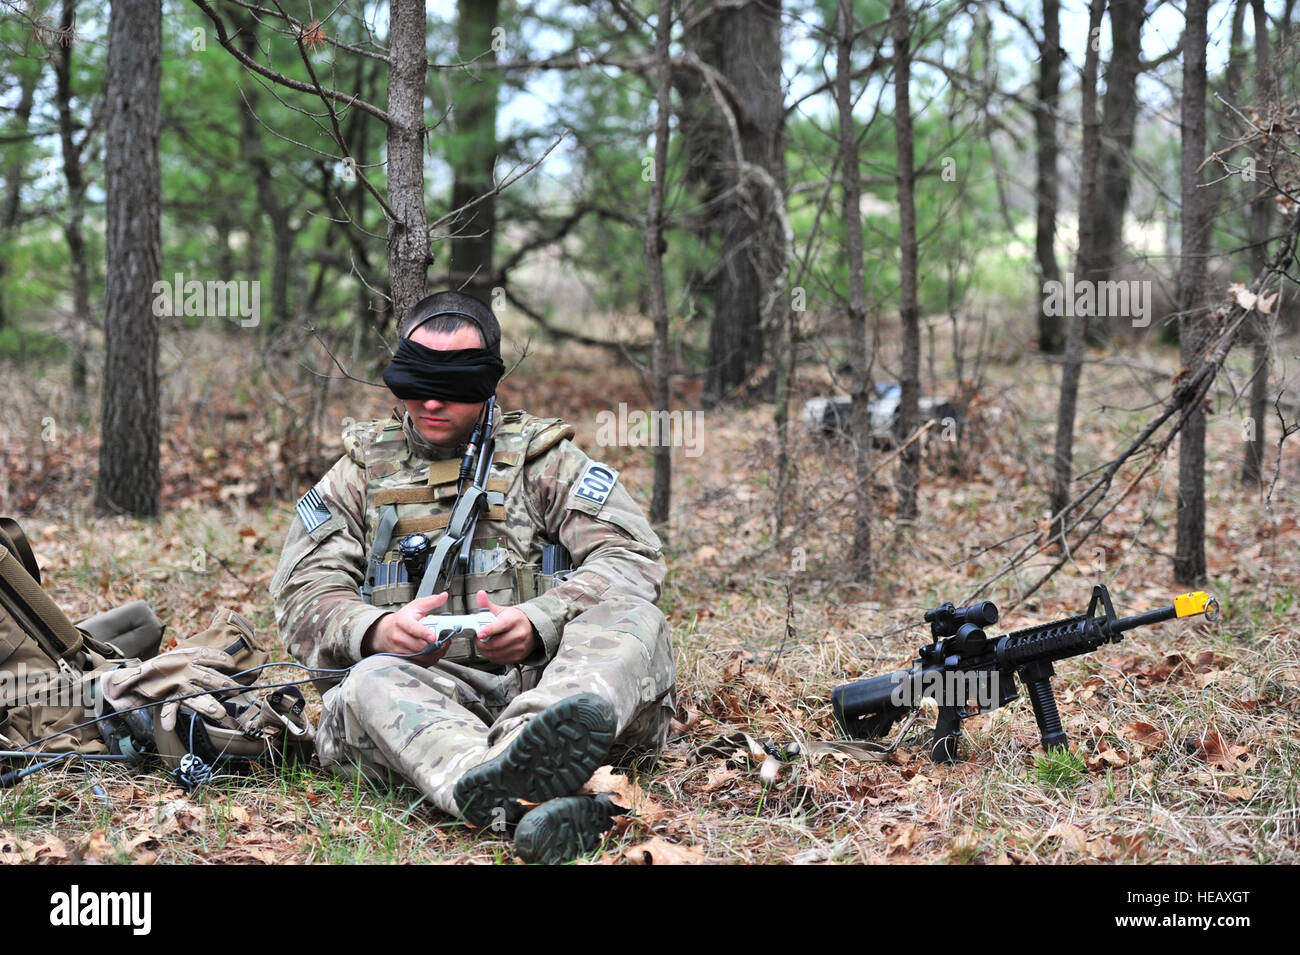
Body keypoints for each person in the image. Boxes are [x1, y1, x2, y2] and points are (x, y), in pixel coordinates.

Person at [271, 289, 676, 863]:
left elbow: (633, 556)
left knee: (635, 619)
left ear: (488, 381)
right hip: (423, 698)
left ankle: (524, 759)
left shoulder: (543, 461)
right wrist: (374, 630)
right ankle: (502, 786)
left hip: (549, 687)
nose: (432, 403)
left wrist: (541, 620)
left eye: (454, 388)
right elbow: (302, 591)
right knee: (364, 682)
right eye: (415, 383)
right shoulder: (358, 475)